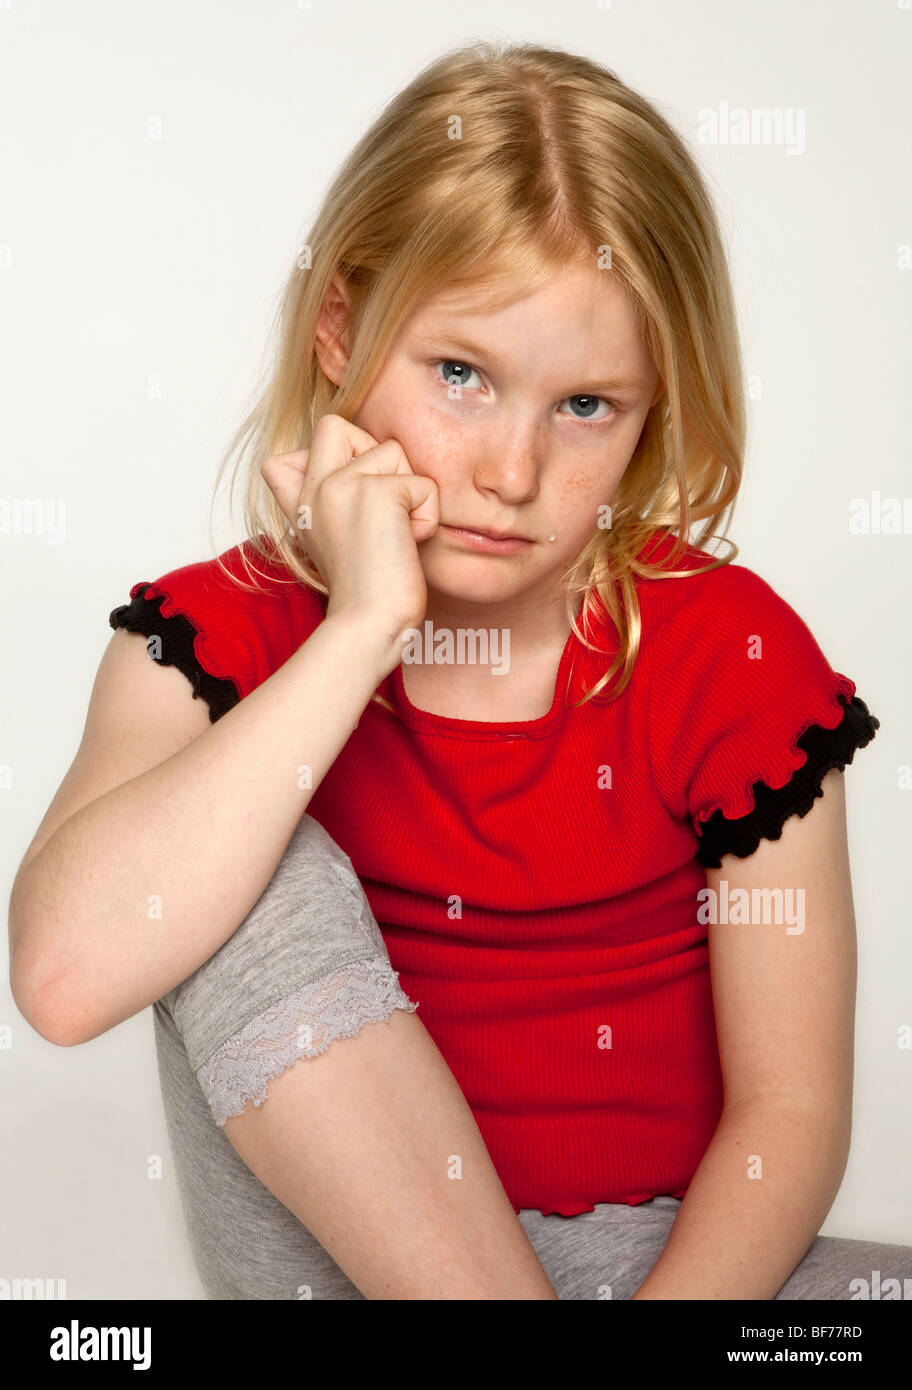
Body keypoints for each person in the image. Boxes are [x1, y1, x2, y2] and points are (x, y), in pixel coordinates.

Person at [9, 40, 911, 1300]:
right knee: (235, 839)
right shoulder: (214, 639)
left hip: (677, 1283)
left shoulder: (732, 653)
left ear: (655, 407)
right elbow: (62, 976)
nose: (512, 472)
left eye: (587, 405)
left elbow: (792, 1115)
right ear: (340, 328)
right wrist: (366, 621)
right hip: (342, 1278)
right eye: (461, 377)